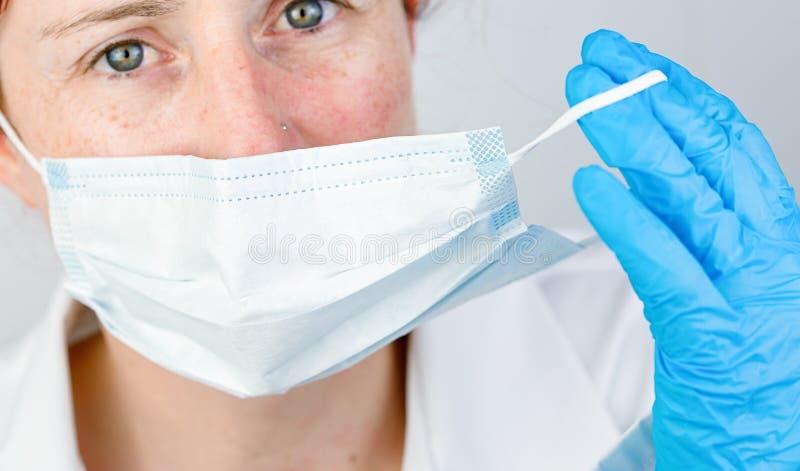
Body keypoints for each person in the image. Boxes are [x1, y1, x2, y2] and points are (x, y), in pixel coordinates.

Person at [0, 0, 797, 469]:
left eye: (305, 10)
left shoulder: (704, 369)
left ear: (407, 24)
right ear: (11, 149)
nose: (252, 141)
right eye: (123, 53)